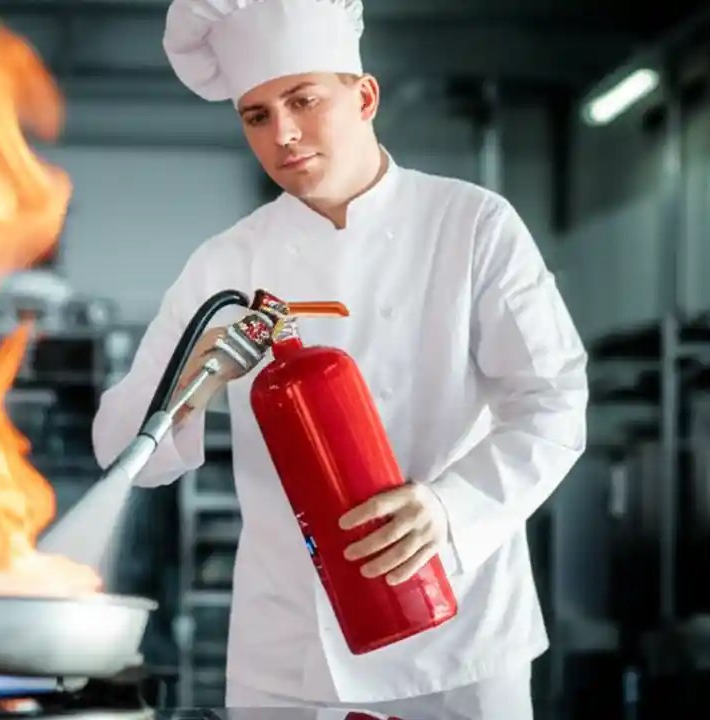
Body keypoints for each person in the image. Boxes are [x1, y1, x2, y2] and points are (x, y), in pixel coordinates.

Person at [89, 0, 589, 717]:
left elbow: (553, 403)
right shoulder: (227, 262)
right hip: (285, 647)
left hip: (458, 635)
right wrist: (191, 381)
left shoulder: (471, 225)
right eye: (256, 115)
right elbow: (119, 448)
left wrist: (449, 508)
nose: (283, 134)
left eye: (303, 100)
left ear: (363, 95)